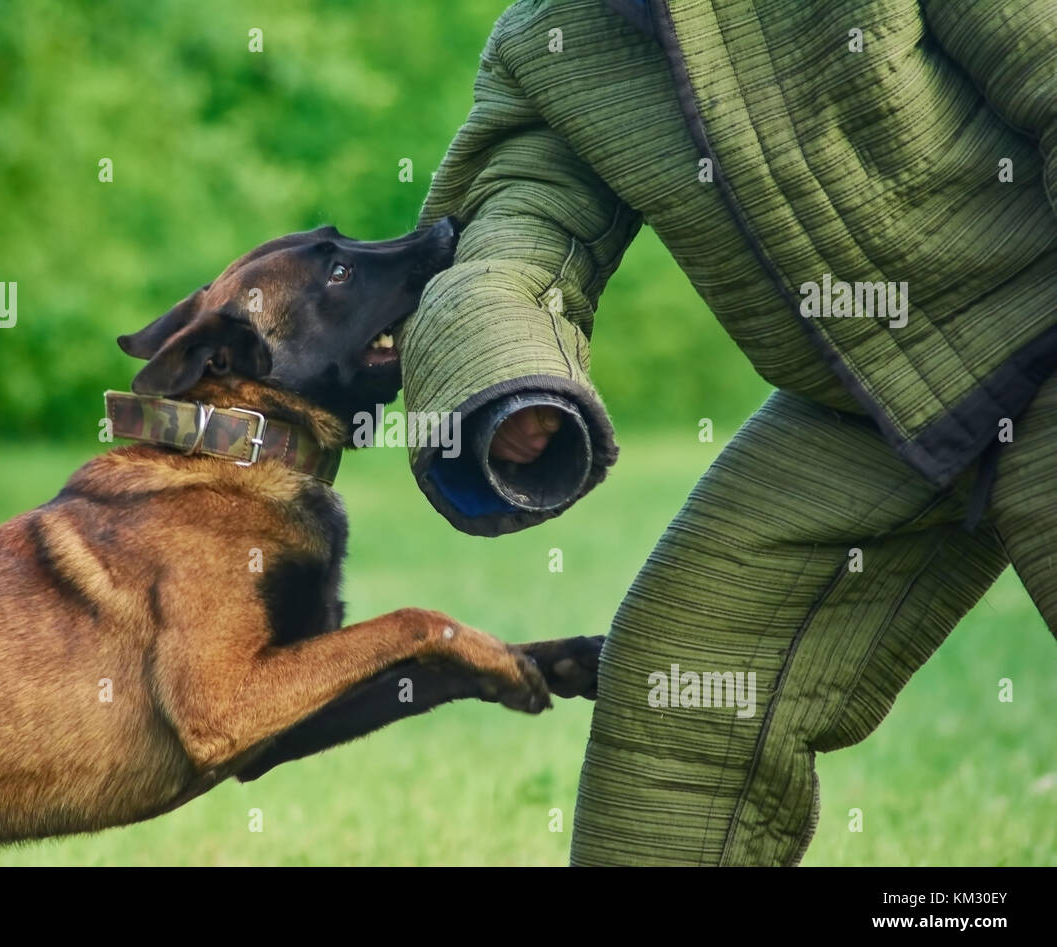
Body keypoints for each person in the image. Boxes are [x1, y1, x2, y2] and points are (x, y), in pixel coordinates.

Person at [399, 0, 1057, 865]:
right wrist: (503, 376)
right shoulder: (551, 41)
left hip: (1044, 322)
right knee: (686, 690)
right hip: (864, 409)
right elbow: (514, 235)